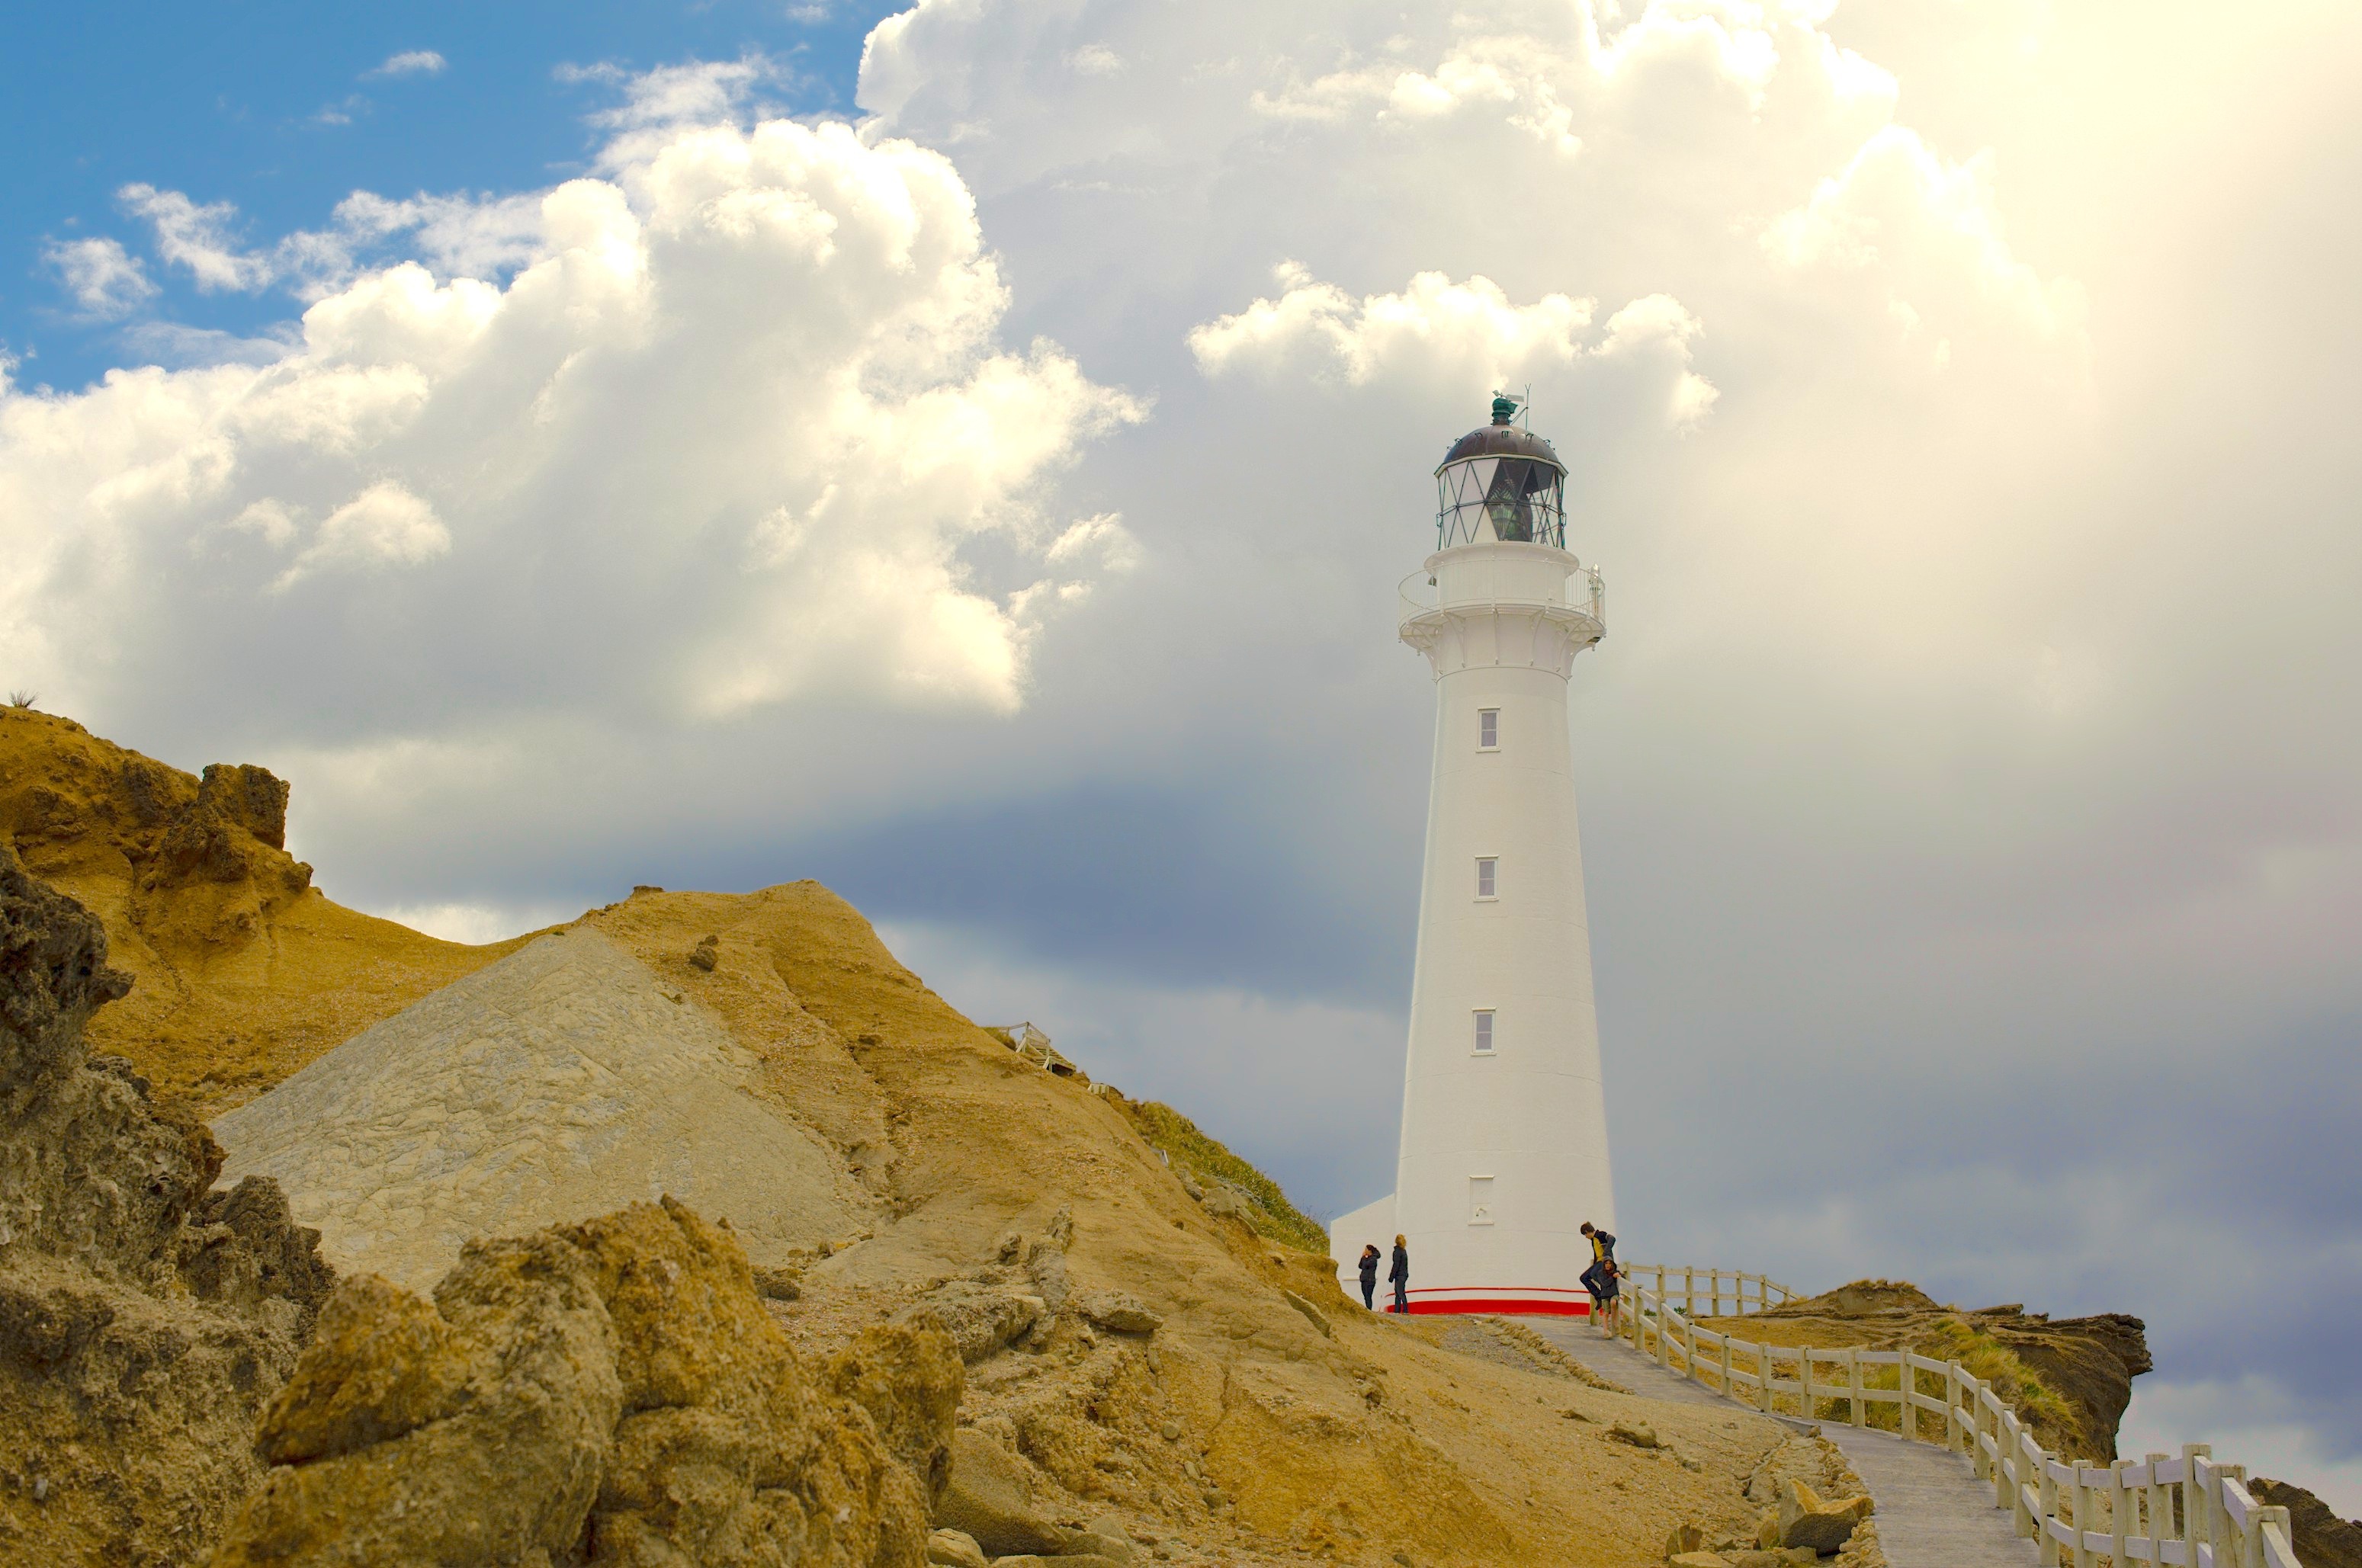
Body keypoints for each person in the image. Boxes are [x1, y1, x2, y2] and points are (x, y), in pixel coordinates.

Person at [1579, 1221, 1618, 1329]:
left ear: (1587, 1232)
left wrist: (1606, 1251)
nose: (1586, 1237)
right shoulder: (1593, 1241)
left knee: (1592, 1274)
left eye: (1585, 1234)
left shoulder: (1600, 1235)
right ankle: (1600, 1296)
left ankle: (1603, 1296)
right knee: (1584, 1278)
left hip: (1604, 1263)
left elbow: (1612, 1238)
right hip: (1598, 1263)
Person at [1388, 1234, 1410, 1313]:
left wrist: (1391, 1277)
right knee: (1399, 1292)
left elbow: (1396, 1265)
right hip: (1404, 1274)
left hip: (1399, 1275)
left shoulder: (1397, 1252)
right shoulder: (1404, 1251)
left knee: (1400, 1293)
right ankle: (1398, 1310)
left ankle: (1405, 1310)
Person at [1356, 1243, 1381, 1310]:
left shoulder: (1373, 1259)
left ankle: (1369, 1309)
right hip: (1364, 1279)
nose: (1365, 1251)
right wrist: (1363, 1258)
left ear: (1369, 1251)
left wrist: (1364, 1258)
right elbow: (1360, 1266)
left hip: (1369, 1280)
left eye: (1366, 1250)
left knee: (1368, 1296)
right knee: (1366, 1296)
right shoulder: (1366, 1258)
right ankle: (1368, 1308)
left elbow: (1366, 1265)